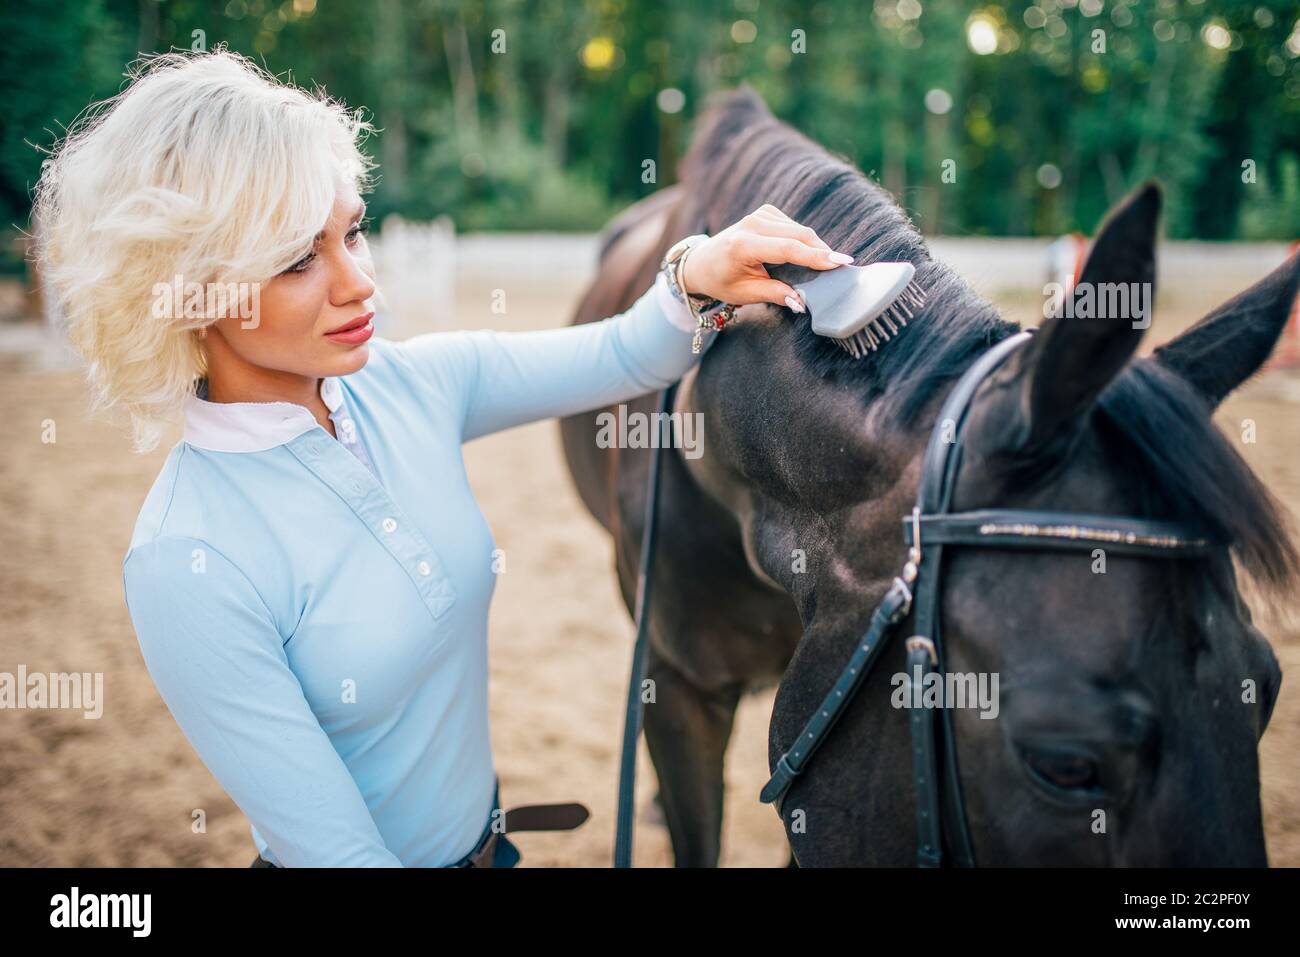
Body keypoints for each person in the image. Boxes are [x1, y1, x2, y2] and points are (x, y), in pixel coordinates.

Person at [32, 47, 851, 866]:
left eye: (351, 231)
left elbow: (623, 356)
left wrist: (697, 268)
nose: (360, 285)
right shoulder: (187, 558)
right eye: (296, 258)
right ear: (192, 288)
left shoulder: (407, 382)